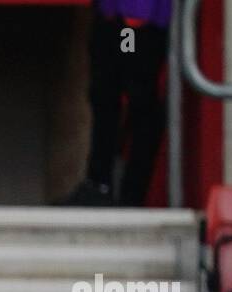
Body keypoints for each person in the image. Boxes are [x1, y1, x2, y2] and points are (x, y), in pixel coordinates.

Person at [58, 0, 170, 207]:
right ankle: (99, 184)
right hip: (110, 13)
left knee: (141, 101)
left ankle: (133, 194)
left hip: (142, 17)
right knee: (103, 94)